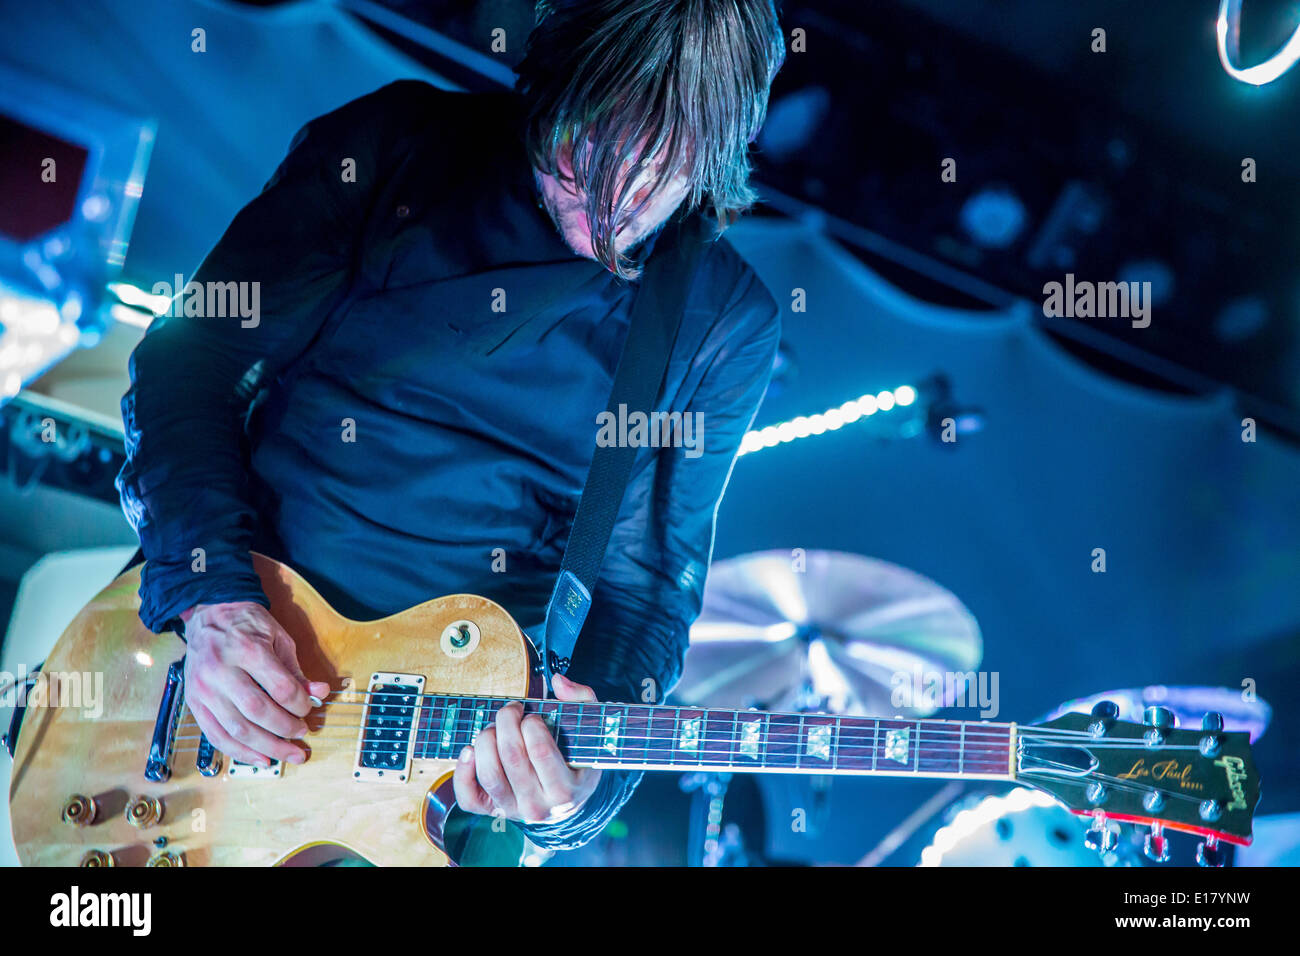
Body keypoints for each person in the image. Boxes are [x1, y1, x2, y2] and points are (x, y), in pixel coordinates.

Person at [117, 0, 786, 853]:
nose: (606, 208)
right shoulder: (394, 148)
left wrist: (579, 794)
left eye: (651, 178)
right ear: (549, 87)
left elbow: (644, 591)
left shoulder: (719, 321)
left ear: (711, 164)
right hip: (222, 660)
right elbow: (188, 361)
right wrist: (212, 598)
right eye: (582, 155)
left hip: (442, 756)